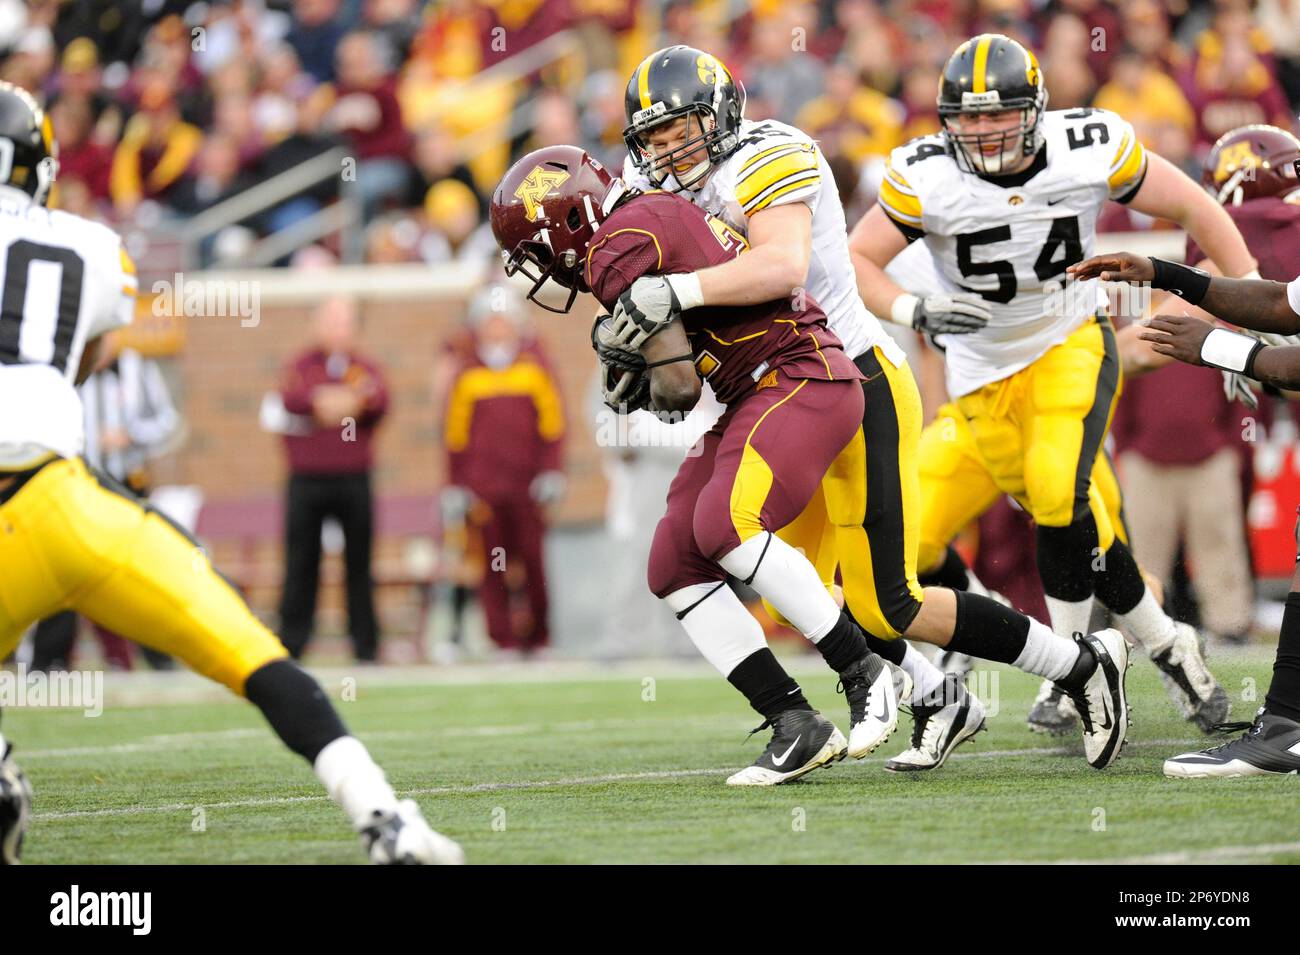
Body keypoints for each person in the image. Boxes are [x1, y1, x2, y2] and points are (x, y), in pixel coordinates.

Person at [493, 144, 1131, 784]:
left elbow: (759, 293)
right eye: (652, 140)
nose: (666, 153)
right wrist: (643, 352)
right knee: (691, 561)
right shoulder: (659, 205)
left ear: (565, 221)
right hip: (768, 390)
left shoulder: (650, 224)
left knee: (870, 595)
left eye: (531, 248)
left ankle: (913, 673)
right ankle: (810, 718)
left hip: (826, 375)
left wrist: (644, 365)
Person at [0, 82, 459, 864]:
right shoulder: (84, 243)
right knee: (250, 651)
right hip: (62, 498)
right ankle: (386, 820)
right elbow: (93, 344)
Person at [848, 33, 1255, 736]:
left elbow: (1196, 206)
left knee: (1056, 489)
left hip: (1067, 343)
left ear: (1035, 110)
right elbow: (859, 258)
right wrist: (914, 310)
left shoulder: (1088, 146)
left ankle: (1075, 669)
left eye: (996, 114)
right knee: (1023, 521)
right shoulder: (926, 177)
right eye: (966, 118)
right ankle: (1165, 644)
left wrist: (1247, 295)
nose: (980, 130)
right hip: (978, 387)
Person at [1064, 248, 1300, 777]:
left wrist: (1219, 346)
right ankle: (1287, 723)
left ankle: (1287, 724)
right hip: (1151, 458)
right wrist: (1166, 274)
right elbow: (1281, 302)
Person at [441, 285, 566, 656]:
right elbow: (454, 435)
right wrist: (455, 484)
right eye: (490, 322)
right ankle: (503, 639)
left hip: (527, 487)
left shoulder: (534, 367)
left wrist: (551, 471)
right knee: (491, 565)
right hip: (484, 490)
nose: (497, 329)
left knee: (533, 561)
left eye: (503, 321)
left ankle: (539, 637)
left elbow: (553, 426)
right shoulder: (467, 373)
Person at [277, 296, 389, 662]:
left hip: (353, 477)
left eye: (345, 322)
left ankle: (365, 645)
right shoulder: (302, 364)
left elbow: (378, 400)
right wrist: (330, 401)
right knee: (301, 562)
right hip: (308, 479)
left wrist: (345, 401)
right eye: (332, 321)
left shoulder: (364, 366)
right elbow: (293, 399)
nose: (338, 330)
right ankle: (292, 643)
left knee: (359, 563)